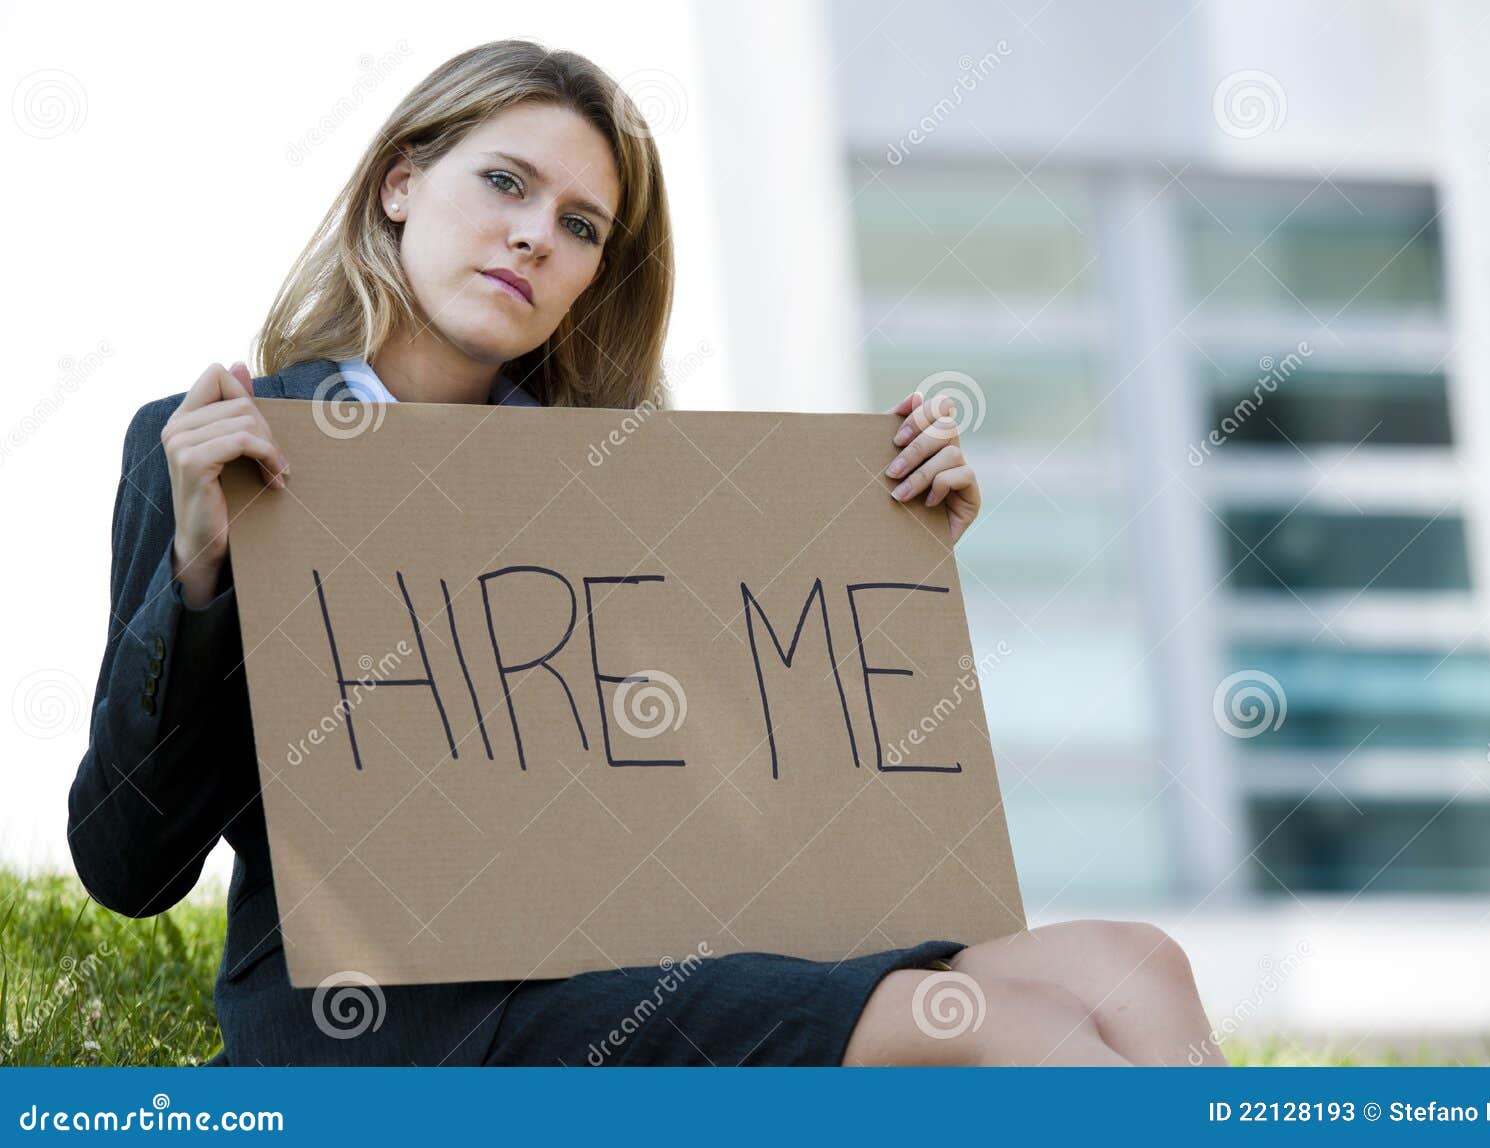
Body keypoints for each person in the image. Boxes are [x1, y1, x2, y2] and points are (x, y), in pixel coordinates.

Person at [68, 38, 1222, 1067]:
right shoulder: (221, 444)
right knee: (1005, 1033)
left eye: (581, 226)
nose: (536, 234)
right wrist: (199, 574)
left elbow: (747, 773)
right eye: (506, 183)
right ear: (400, 184)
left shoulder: (622, 490)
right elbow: (129, 863)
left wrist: (893, 551)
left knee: (1134, 964)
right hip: (400, 1021)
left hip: (643, 961)